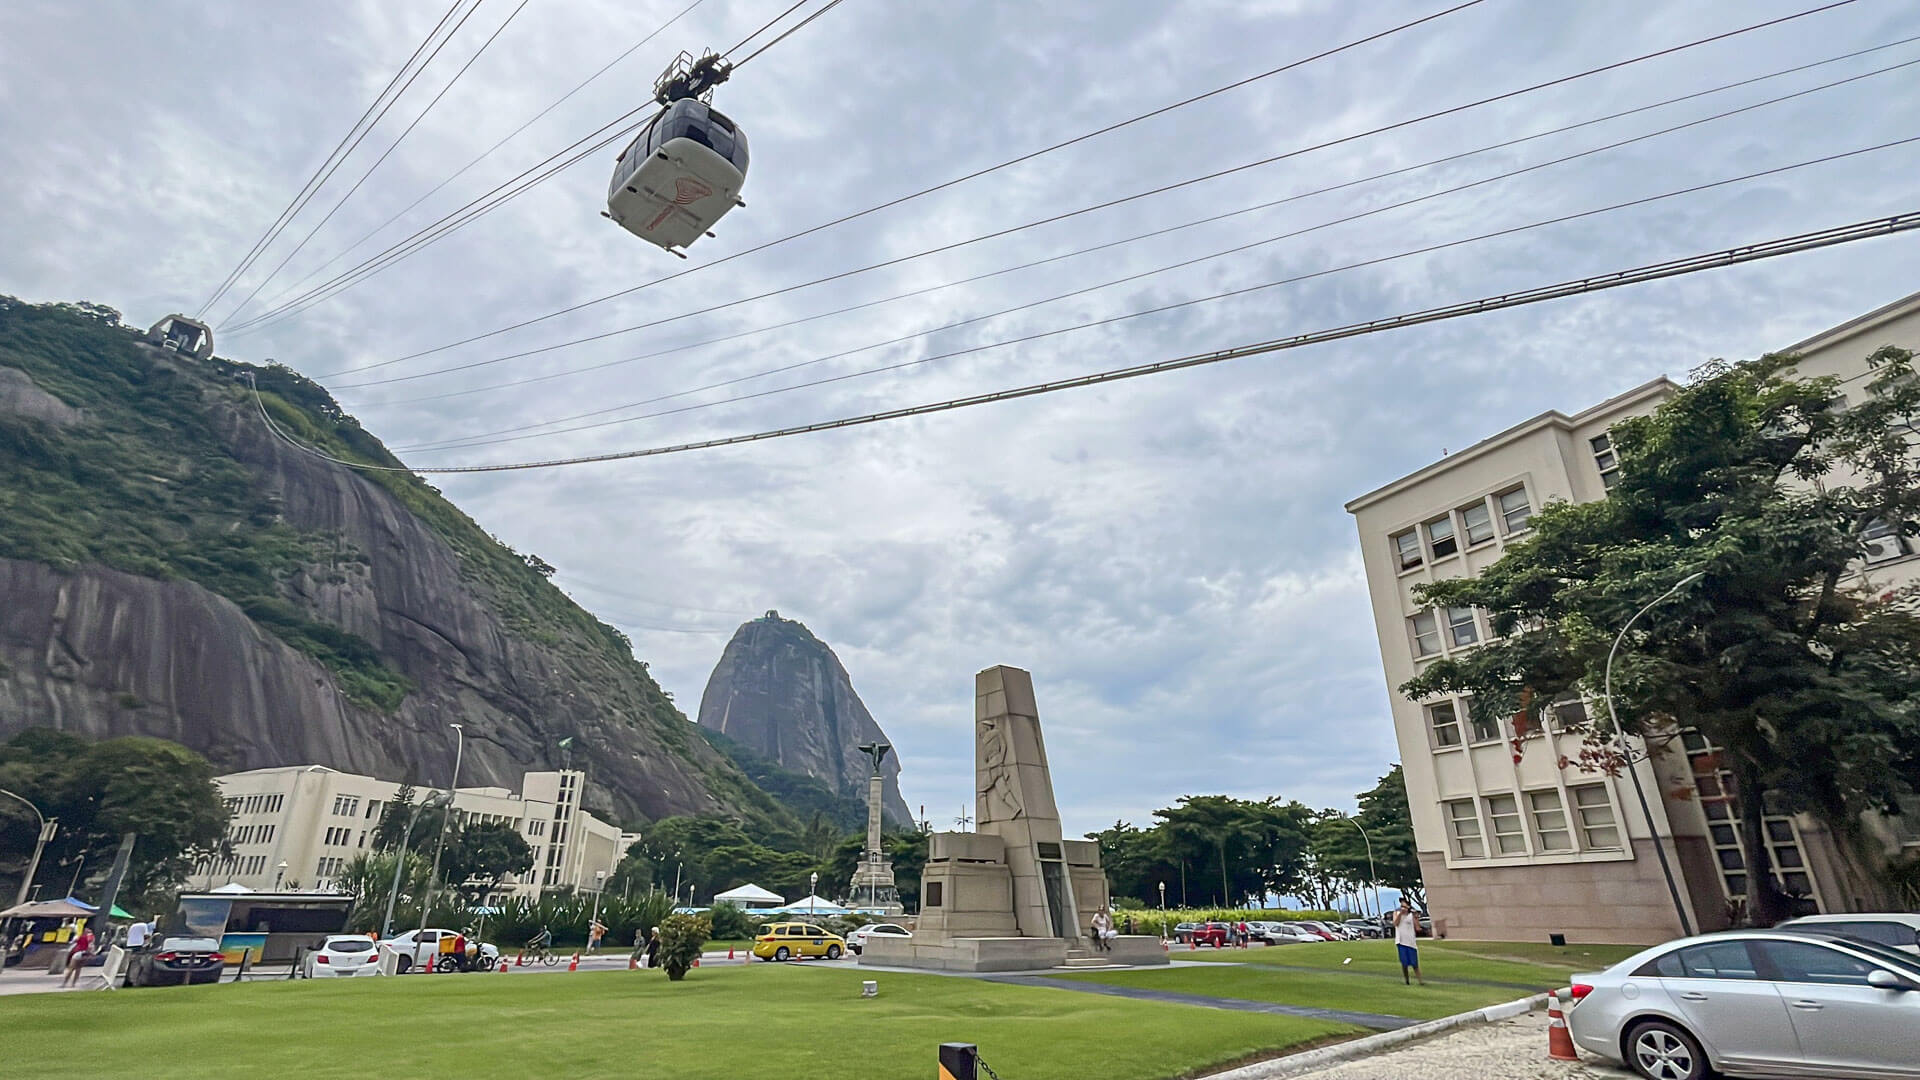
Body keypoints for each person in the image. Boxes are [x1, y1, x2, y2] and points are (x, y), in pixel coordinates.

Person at [1390, 899, 1424, 986]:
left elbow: (1418, 928)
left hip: (1411, 942)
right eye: (1401, 906)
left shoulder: (1411, 915)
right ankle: (1407, 980)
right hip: (1401, 941)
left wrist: (1416, 917)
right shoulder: (1396, 913)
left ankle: (1420, 981)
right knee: (1404, 963)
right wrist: (1400, 914)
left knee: (1415, 964)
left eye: (1405, 906)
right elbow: (1395, 923)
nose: (1403, 908)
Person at [60, 923, 95, 988]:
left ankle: (64, 983)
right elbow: (91, 945)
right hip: (84, 953)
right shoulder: (91, 936)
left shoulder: (86, 936)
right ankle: (73, 984)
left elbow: (89, 945)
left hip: (79, 952)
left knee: (71, 968)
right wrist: (90, 953)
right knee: (78, 969)